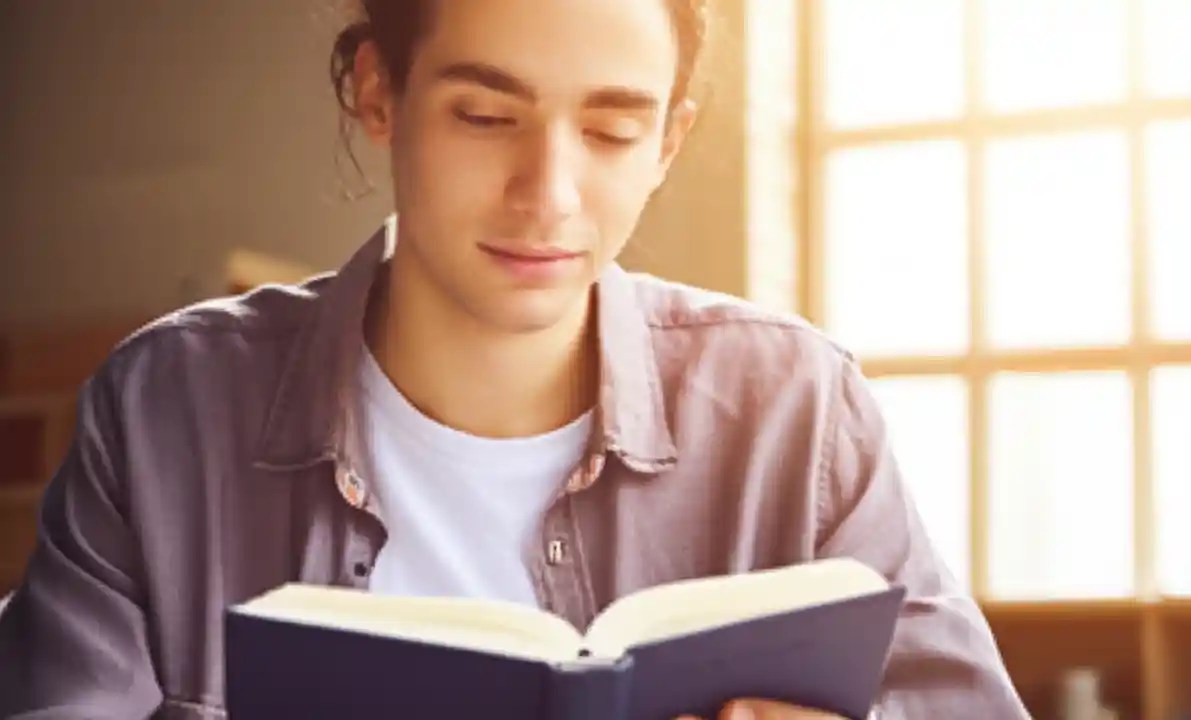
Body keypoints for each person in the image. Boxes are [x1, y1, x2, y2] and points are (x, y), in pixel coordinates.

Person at [0, 0, 1029, 717]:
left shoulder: (794, 415)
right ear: (378, 94)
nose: (549, 195)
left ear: (670, 139)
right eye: (486, 117)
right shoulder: (162, 410)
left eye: (613, 130)